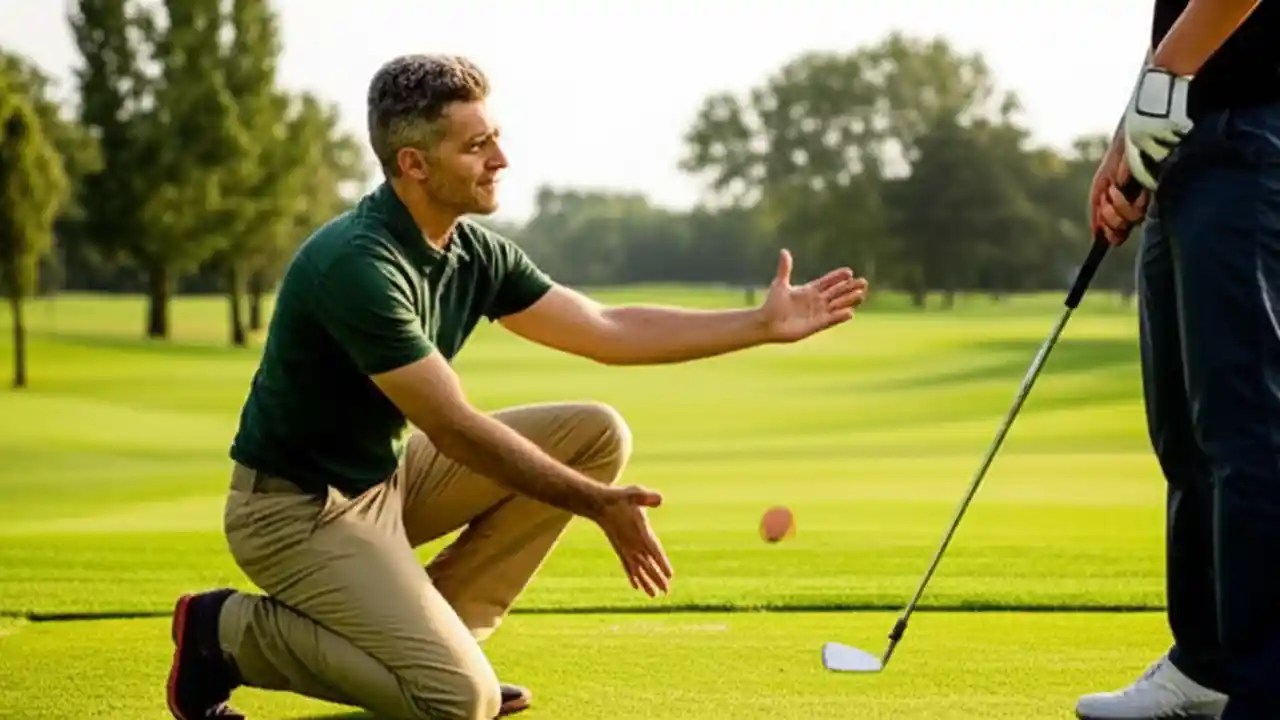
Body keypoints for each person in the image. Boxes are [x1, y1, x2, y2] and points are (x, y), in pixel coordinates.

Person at [162, 53, 869, 720]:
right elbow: (456, 429)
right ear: (413, 163)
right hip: (296, 514)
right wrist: (597, 505)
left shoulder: (472, 250)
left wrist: (760, 322)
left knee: (596, 433)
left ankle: (446, 642)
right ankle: (223, 631)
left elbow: (606, 327)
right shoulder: (359, 265)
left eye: (495, 137)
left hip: (382, 486)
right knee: (459, 704)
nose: (501, 159)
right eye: (476, 147)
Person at [1079, 1, 1280, 718]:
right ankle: (1207, 665)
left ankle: (1264, 686)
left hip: (1251, 131)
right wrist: (1127, 135)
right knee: (1184, 431)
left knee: (1244, 428)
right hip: (1194, 137)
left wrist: (1163, 81)